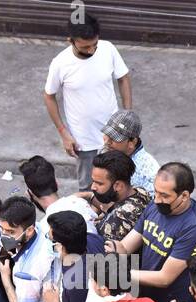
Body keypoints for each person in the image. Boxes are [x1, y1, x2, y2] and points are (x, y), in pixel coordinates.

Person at [108, 161, 196, 302]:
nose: (157, 199)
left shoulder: (195, 228)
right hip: (147, 299)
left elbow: (165, 278)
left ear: (184, 195)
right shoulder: (156, 206)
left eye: (164, 195)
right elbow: (125, 246)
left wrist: (123, 274)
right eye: (156, 192)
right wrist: (109, 249)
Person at [43, 13, 131, 190]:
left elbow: (123, 78)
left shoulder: (108, 49)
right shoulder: (60, 63)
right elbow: (49, 96)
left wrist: (127, 115)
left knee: (118, 184)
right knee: (89, 188)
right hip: (84, 140)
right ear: (71, 41)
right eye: (85, 47)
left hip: (114, 135)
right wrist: (64, 133)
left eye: (94, 45)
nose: (91, 50)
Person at [18, 155, 98, 234]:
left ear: (30, 193)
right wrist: (86, 195)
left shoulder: (43, 230)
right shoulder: (80, 203)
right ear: (56, 183)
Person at [90, 150, 150, 242]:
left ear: (118, 185)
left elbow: (100, 255)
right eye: (93, 181)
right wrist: (86, 196)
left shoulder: (118, 219)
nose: (93, 187)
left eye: (99, 183)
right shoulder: (141, 192)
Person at [101, 109, 159, 193]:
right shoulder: (106, 150)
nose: (107, 142)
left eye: (114, 138)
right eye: (107, 134)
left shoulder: (148, 173)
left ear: (132, 142)